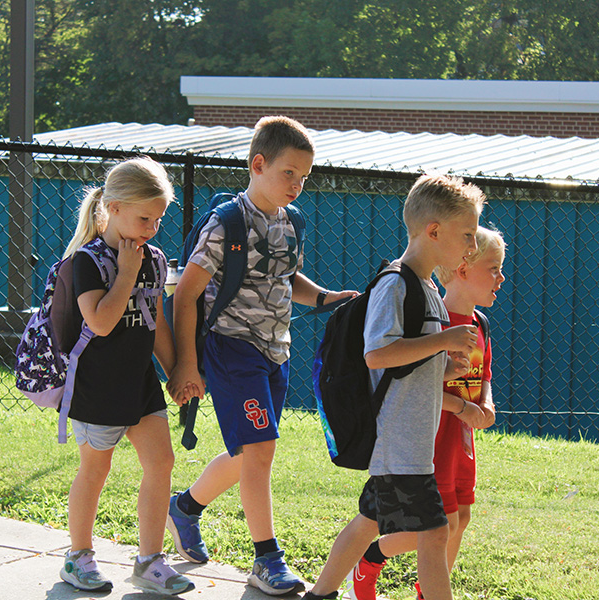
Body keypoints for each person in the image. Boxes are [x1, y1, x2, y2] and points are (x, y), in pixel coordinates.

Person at [165, 116, 355, 596]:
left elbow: (286, 279)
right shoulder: (225, 224)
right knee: (261, 449)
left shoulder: (292, 223)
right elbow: (186, 294)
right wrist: (186, 362)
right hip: (232, 348)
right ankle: (267, 559)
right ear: (258, 165)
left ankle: (184, 508)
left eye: (304, 177)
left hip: (276, 351)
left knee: (250, 449)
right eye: (289, 173)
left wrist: (327, 297)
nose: (297, 184)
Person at [302, 174, 486, 600]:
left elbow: (409, 364)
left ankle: (320, 595)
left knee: (369, 522)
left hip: (408, 444)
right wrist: (442, 341)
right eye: (467, 235)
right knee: (436, 533)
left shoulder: (428, 289)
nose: (472, 246)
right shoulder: (396, 283)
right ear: (434, 231)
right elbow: (378, 354)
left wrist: (445, 368)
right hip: (398, 442)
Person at [59, 157, 195, 595]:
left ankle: (149, 561)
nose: (152, 229)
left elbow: (156, 322)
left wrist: (175, 372)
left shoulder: (154, 260)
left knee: (161, 462)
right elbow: (100, 322)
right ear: (113, 208)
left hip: (140, 385)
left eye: (158, 220)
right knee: (95, 470)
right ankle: (78, 556)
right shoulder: (87, 261)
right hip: (97, 389)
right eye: (144, 219)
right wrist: (127, 274)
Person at [346, 227, 506, 600]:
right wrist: (463, 407)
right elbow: (422, 384)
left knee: (460, 518)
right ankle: (372, 557)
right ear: (463, 269)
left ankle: (427, 590)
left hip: (461, 441)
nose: (501, 278)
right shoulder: (438, 323)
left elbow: (483, 375)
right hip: (431, 437)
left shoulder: (480, 324)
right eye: (493, 268)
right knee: (438, 524)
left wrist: (486, 404)